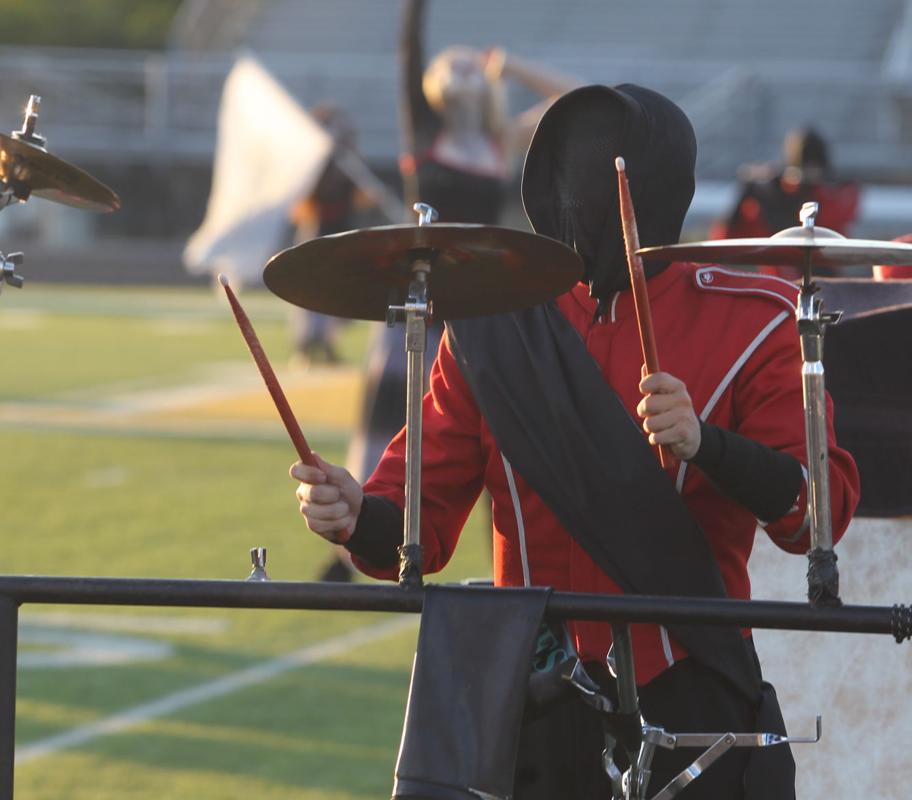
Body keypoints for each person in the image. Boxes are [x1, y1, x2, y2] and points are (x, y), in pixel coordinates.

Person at [291, 84, 860, 798]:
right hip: (527, 701)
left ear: (662, 187)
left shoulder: (754, 320)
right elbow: (417, 524)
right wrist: (354, 514)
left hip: (691, 688)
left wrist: (707, 444)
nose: (579, 202)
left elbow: (816, 516)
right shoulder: (495, 325)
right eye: (570, 173)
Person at [317, 0, 578, 582]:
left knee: (485, 436)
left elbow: (576, 101)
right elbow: (408, 51)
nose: (460, 66)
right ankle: (351, 545)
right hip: (417, 303)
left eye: (469, 63)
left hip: (479, 310)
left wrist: (513, 66)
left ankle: (504, 566)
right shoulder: (425, 130)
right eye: (449, 63)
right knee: (388, 428)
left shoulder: (502, 139)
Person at [711, 126, 860, 280]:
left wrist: (801, 193)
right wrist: (748, 193)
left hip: (827, 284)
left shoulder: (836, 194)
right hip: (779, 285)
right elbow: (723, 240)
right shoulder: (769, 197)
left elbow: (833, 218)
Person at [287, 104, 373, 368]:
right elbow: (305, 196)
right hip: (317, 229)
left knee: (338, 290)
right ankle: (305, 344)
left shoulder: (349, 161)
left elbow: (359, 196)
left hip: (342, 230)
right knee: (310, 290)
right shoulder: (315, 162)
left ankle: (327, 342)